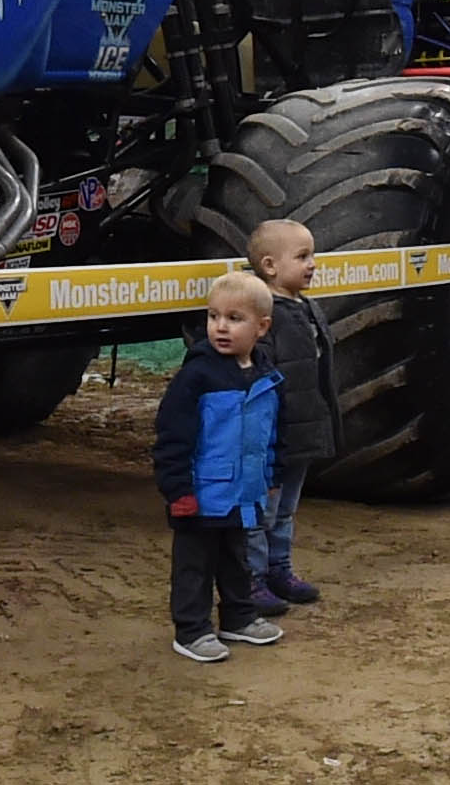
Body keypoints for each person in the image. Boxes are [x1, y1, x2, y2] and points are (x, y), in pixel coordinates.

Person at [152, 270, 289, 662]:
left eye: (234, 318)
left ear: (262, 327)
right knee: (194, 566)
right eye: (214, 317)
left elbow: (275, 434)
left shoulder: (268, 377)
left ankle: (238, 618)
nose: (220, 327)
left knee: (237, 559)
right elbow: (172, 438)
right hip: (199, 495)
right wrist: (177, 490)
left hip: (243, 494)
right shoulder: (196, 377)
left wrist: (272, 477)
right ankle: (192, 630)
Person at [243, 219, 344, 615]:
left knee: (284, 511)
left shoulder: (308, 308)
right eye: (302, 257)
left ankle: (279, 571)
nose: (312, 264)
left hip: (302, 434)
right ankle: (250, 580)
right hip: (270, 438)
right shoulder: (263, 316)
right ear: (270, 266)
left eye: (312, 255)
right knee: (259, 513)